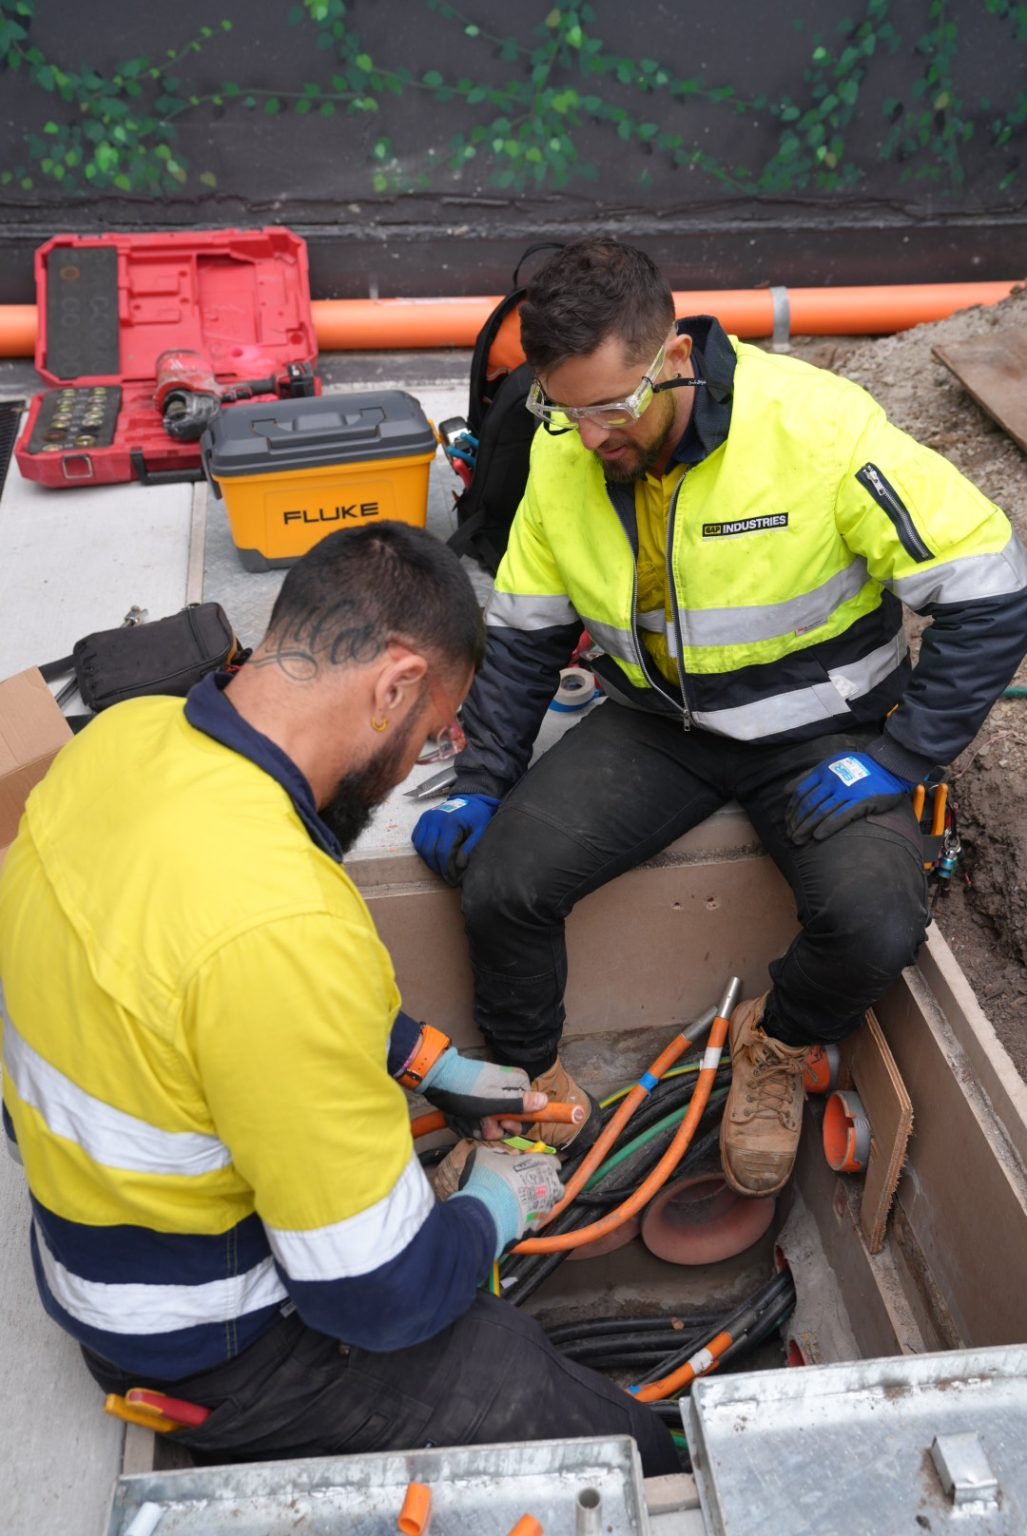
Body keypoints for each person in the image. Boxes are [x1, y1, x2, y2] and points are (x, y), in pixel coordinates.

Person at [0, 522, 677, 1474]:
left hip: (95, 1250)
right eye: (437, 726)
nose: (422, 757)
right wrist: (494, 1203)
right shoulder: (280, 923)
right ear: (394, 684)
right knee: (621, 1446)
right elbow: (379, 1295)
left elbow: (186, 986)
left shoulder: (122, 740)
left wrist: (424, 1061)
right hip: (211, 1348)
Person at [413, 238, 1027, 1198]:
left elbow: (989, 588)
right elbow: (529, 631)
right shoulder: (565, 449)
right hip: (658, 726)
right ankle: (530, 1091)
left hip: (826, 735)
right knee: (500, 886)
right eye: (564, 409)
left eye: (611, 406)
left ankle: (776, 1046)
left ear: (676, 359)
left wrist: (903, 757)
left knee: (873, 922)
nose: (591, 434)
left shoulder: (815, 429)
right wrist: (484, 779)